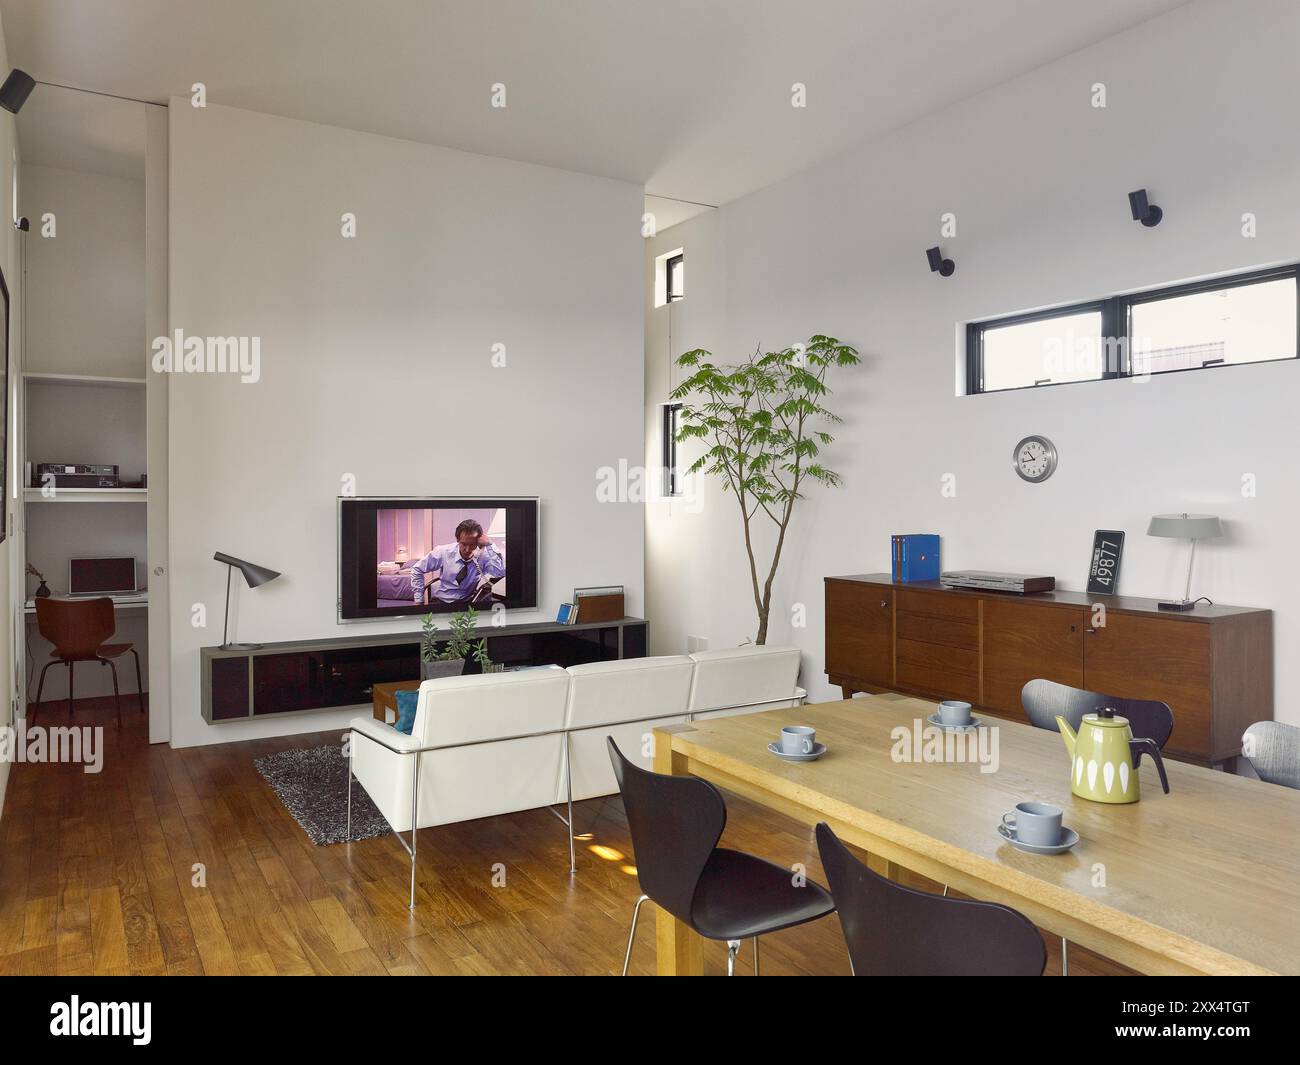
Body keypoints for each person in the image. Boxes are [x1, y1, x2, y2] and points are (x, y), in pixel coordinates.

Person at [410, 519, 505, 605]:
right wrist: (419, 600)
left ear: (478, 542)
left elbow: (499, 573)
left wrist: (490, 544)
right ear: (458, 540)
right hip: (442, 601)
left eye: (472, 544)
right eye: (463, 544)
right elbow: (417, 569)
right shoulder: (443, 552)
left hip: (468, 602)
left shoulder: (483, 556)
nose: (467, 550)